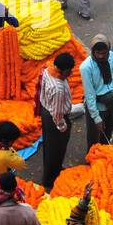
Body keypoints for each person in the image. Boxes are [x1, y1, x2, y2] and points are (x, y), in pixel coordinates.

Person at [37, 53, 76, 189]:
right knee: (56, 149)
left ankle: (54, 170)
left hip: (46, 112)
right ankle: (50, 180)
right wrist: (63, 126)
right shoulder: (58, 88)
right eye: (70, 70)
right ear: (64, 70)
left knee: (50, 147)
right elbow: (57, 113)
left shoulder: (48, 70)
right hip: (55, 119)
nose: (71, 73)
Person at [80, 34, 113, 148]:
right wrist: (96, 118)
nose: (102, 56)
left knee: (107, 135)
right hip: (97, 108)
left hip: (111, 103)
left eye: (104, 53)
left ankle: (105, 159)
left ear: (108, 50)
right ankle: (92, 161)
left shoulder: (112, 56)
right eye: (98, 53)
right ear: (93, 51)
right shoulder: (86, 67)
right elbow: (89, 94)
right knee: (94, 139)